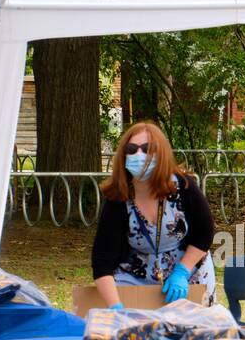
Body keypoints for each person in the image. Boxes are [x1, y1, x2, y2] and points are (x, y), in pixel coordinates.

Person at [92, 121, 217, 307]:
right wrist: (115, 307)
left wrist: (182, 271)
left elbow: (205, 233)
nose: (139, 154)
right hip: (137, 274)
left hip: (188, 269)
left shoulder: (183, 186)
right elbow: (102, 261)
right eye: (131, 149)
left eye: (147, 149)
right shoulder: (118, 198)